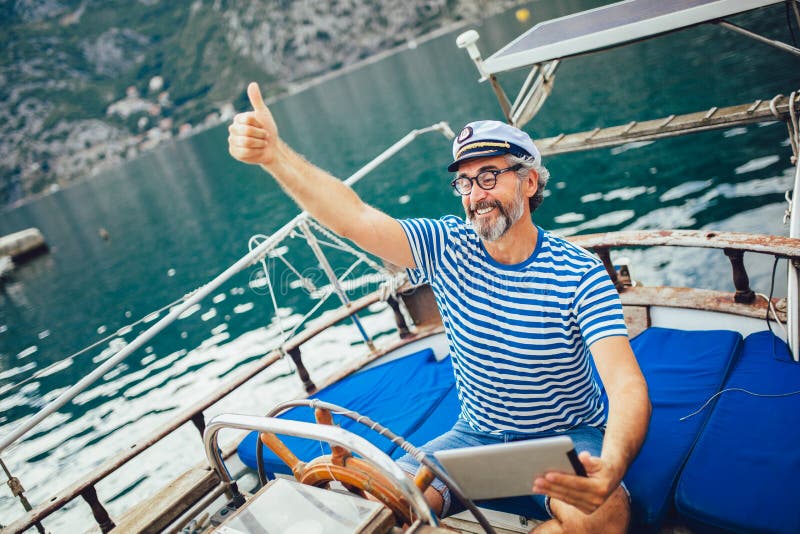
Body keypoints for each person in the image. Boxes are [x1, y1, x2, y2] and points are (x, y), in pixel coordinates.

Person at [228, 82, 651, 533]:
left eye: (489, 175)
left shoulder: (578, 272)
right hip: (474, 439)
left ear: (529, 181)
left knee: (604, 517)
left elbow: (625, 385)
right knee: (378, 507)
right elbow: (354, 219)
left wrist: (613, 462)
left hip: (565, 439)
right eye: (465, 182)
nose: (476, 194)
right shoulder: (447, 245)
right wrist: (276, 155)